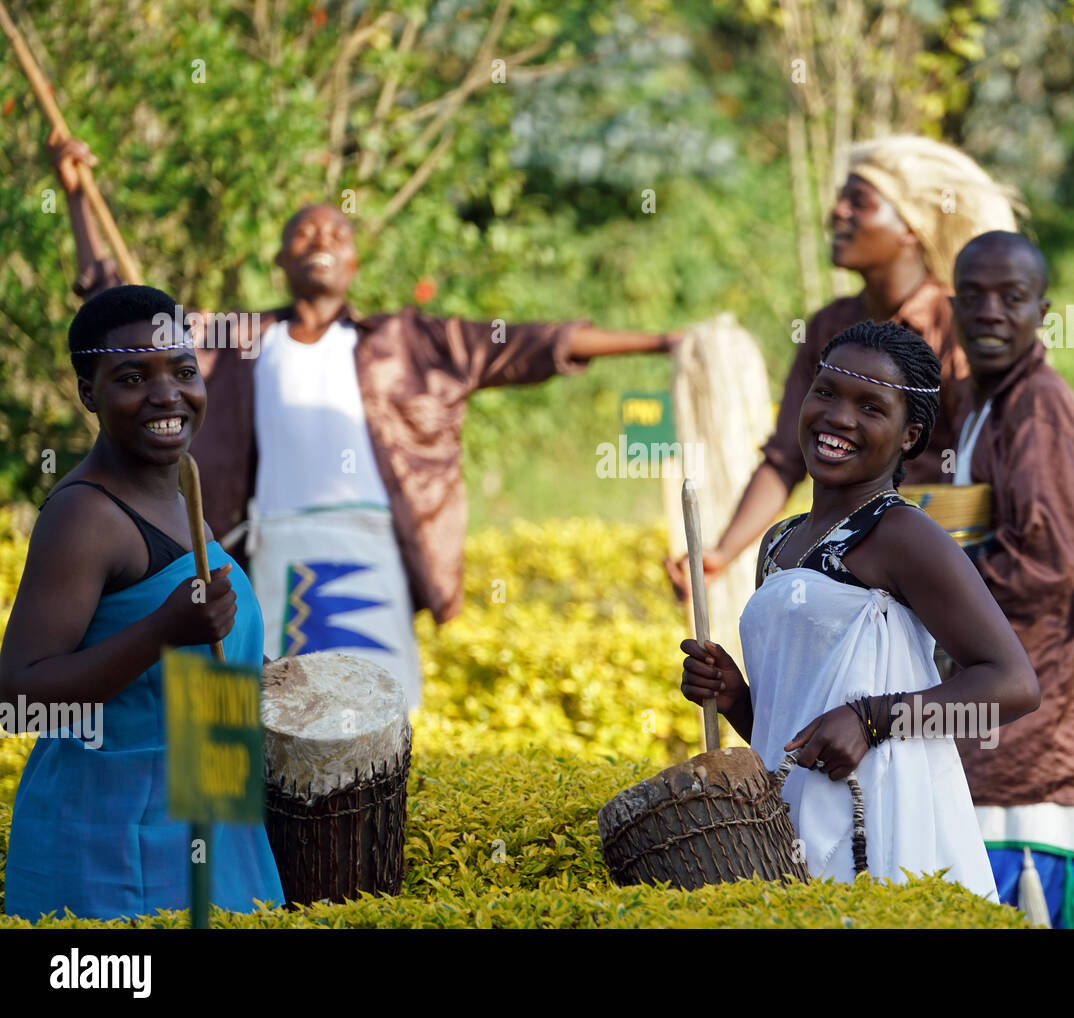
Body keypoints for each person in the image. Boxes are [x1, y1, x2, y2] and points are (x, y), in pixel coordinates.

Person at [50, 136, 684, 710]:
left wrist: (660, 341)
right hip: (271, 548)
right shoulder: (239, 341)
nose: (322, 240)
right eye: (304, 233)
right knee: (261, 712)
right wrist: (78, 197)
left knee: (375, 721)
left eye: (337, 233)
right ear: (279, 259)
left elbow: (532, 343)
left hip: (372, 551)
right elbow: (122, 316)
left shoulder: (408, 344)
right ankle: (234, 831)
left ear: (356, 265)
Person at [680, 320, 1038, 891]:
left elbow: (1015, 685)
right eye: (825, 392)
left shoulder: (904, 535)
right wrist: (737, 699)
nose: (839, 418)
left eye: (871, 407)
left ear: (909, 437)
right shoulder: (779, 543)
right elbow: (794, 735)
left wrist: (875, 718)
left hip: (885, 828)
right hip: (790, 830)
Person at [0, 285, 283, 920]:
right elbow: (16, 700)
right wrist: (163, 631)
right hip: (119, 852)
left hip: (208, 829)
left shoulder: (187, 489)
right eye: (132, 376)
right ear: (88, 392)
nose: (166, 394)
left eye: (183, 371)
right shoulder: (84, 517)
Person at [667, 135, 1020, 597]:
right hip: (850, 567)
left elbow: (998, 456)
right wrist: (721, 553)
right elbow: (785, 458)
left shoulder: (953, 326)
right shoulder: (829, 326)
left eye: (860, 201)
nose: (837, 212)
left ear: (910, 227)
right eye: (840, 199)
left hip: (947, 571)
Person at [948, 232, 1074, 927]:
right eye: (974, 296)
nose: (991, 312)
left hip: (1038, 762)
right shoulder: (978, 404)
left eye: (1011, 298)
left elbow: (1051, 562)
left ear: (1042, 311)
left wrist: (924, 593)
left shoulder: (1039, 404)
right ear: (953, 304)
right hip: (995, 734)